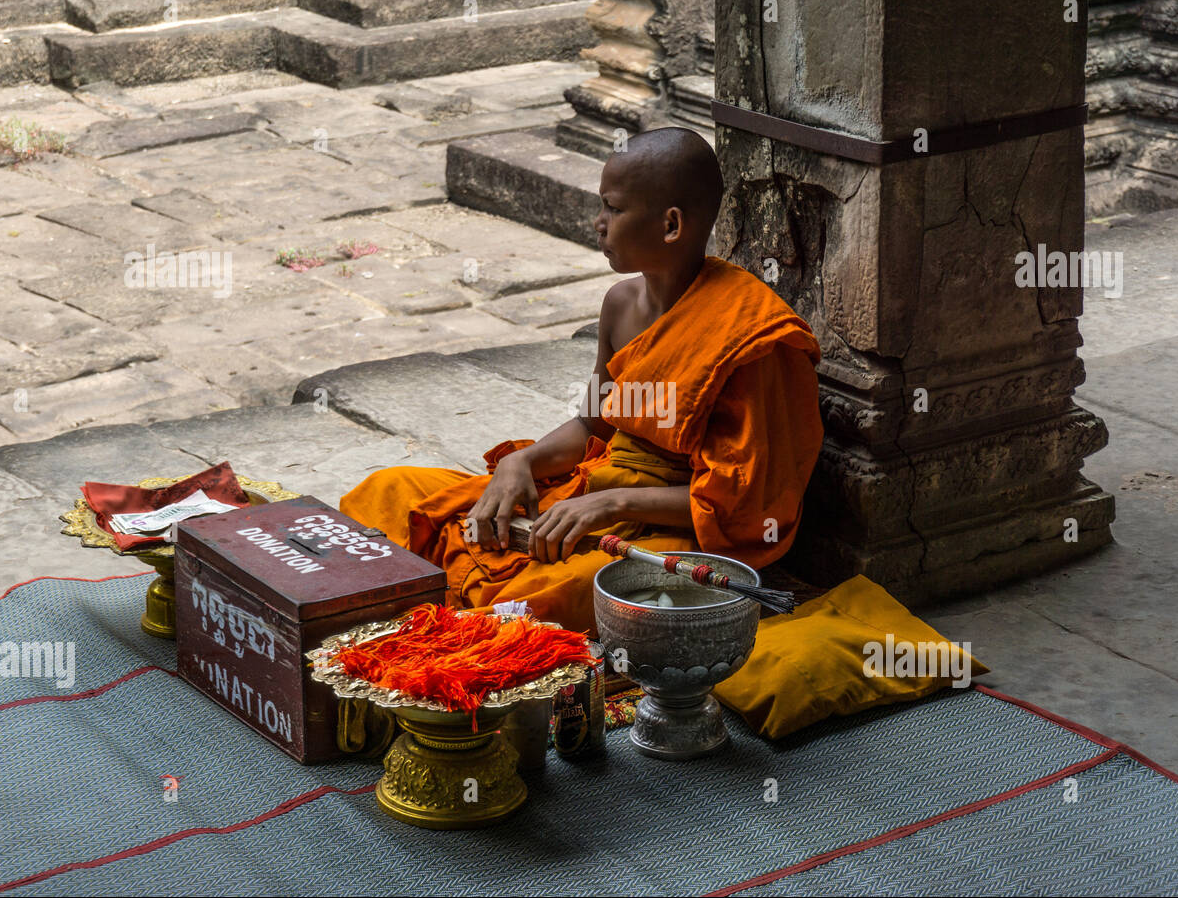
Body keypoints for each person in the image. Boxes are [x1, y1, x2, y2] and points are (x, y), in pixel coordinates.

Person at [339, 127, 824, 635]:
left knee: (555, 594)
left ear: (672, 225)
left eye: (613, 210)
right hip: (594, 488)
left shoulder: (753, 337)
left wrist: (608, 504)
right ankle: (429, 604)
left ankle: (442, 621)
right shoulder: (620, 305)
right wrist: (519, 461)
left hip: (676, 529)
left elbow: (740, 507)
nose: (599, 223)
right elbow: (594, 422)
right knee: (388, 489)